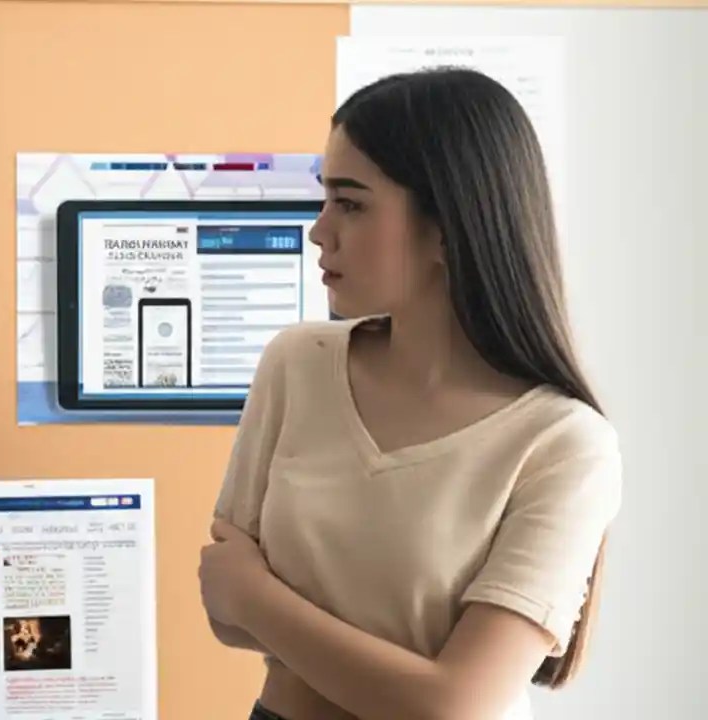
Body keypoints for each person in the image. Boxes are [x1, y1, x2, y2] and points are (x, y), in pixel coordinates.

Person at [198, 67, 622, 720]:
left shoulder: (565, 445)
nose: (319, 230)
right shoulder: (297, 364)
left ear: (448, 227)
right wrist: (407, 673)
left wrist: (258, 597)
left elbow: (454, 705)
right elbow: (221, 612)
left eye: (351, 202)